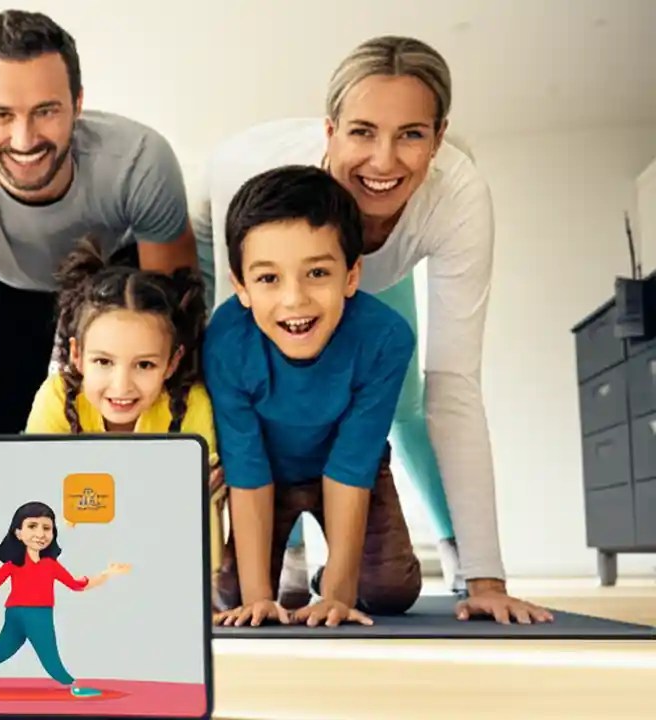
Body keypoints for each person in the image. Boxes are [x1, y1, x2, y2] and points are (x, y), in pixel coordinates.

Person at [198, 35, 553, 624]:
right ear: (330, 131)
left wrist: (485, 577)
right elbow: (242, 345)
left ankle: (352, 563)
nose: (385, 160)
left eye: (411, 134)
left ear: (438, 138)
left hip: (355, 299)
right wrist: (255, 588)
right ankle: (285, 558)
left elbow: (454, 384)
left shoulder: (454, 200)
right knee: (255, 372)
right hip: (236, 241)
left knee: (403, 399)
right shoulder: (250, 178)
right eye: (363, 131)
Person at [0, 9, 199, 437]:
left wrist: (192, 446)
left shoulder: (141, 164)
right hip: (3, 281)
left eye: (46, 111)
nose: (25, 139)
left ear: (78, 104)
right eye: (1, 115)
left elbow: (177, 324)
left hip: (116, 270)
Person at [206, 165, 423, 628]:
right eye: (268, 279)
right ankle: (286, 569)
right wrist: (258, 599)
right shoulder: (225, 340)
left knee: (389, 591)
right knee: (233, 595)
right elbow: (246, 466)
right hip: (269, 471)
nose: (294, 300)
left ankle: (328, 572)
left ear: (351, 275)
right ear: (240, 286)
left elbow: (353, 462)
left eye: (318, 272)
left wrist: (339, 594)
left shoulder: (386, 338)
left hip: (349, 468)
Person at [24, 238, 228, 593]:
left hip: (173, 568)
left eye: (145, 364)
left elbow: (196, 502)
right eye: (103, 362)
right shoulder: (58, 397)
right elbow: (37, 489)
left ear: (172, 363)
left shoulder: (190, 404)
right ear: (77, 354)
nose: (122, 386)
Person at [0, 501, 131, 698]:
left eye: (47, 528)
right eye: (32, 526)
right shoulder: (19, 564)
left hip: (20, 612)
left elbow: (77, 585)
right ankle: (72, 685)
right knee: (47, 654)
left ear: (53, 533)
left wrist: (107, 573)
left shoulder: (47, 564)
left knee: (3, 649)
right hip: (35, 614)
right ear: (18, 532)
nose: (41, 534)